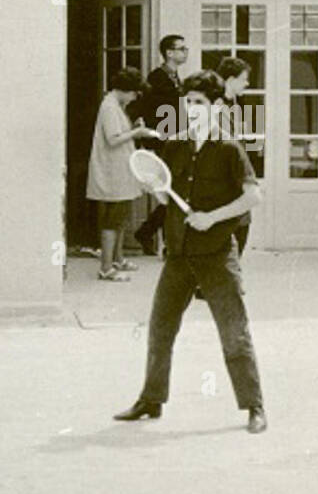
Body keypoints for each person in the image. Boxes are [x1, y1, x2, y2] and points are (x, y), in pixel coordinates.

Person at [114, 71, 267, 434]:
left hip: (216, 253)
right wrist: (158, 191)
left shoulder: (229, 148)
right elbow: (167, 197)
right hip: (179, 253)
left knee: (234, 331)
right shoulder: (177, 146)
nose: (191, 108)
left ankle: (255, 406)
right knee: (160, 328)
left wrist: (211, 217)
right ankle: (151, 400)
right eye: (188, 102)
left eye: (198, 102)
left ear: (215, 106)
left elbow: (253, 196)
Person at [86, 67, 158, 281]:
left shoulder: (115, 105)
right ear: (126, 90)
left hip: (118, 170)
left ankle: (117, 259)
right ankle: (106, 267)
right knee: (113, 220)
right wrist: (138, 132)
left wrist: (133, 127)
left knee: (119, 219)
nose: (135, 98)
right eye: (135, 93)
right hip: (112, 171)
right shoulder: (109, 107)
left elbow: (119, 134)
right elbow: (113, 139)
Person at [132, 34, 189, 255]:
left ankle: (149, 232)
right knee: (172, 191)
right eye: (181, 49)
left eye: (186, 49)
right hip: (164, 141)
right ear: (169, 53)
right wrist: (153, 137)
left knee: (174, 192)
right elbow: (147, 107)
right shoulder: (158, 77)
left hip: (174, 139)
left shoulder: (174, 77)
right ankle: (162, 240)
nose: (185, 52)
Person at [216, 55, 254, 256]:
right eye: (243, 79)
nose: (247, 84)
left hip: (235, 174)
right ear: (230, 80)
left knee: (242, 226)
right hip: (224, 178)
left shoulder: (235, 104)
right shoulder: (216, 107)